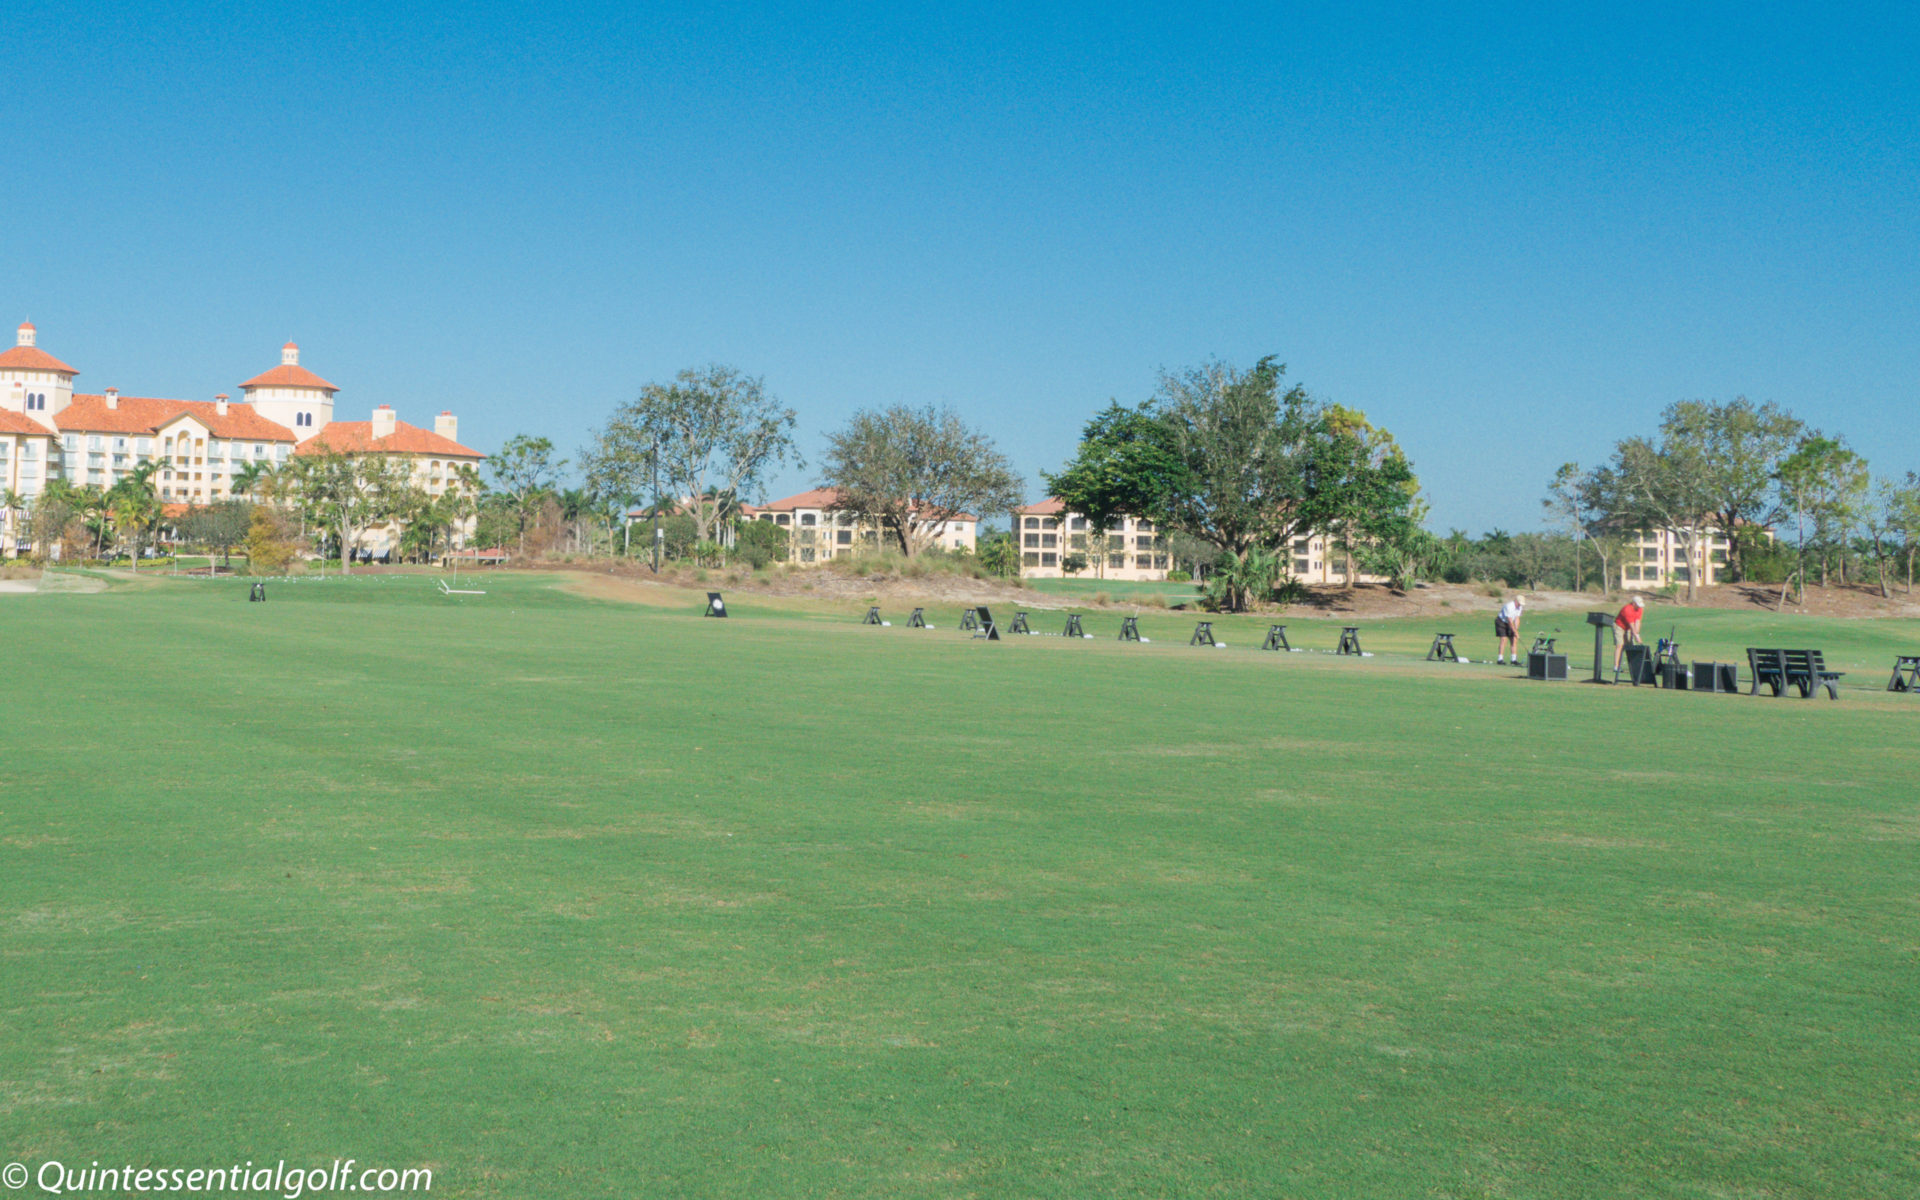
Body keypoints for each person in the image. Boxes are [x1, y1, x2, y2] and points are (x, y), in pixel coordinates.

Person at [1612, 594, 1646, 673]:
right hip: (1619, 626)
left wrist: (1637, 634)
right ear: (1633, 603)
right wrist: (1636, 636)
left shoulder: (1640, 609)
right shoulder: (1627, 609)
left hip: (1628, 628)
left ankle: (1633, 667)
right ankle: (1616, 666)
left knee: (1631, 646)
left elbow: (1637, 621)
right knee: (1620, 645)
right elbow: (1632, 625)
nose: (1639, 607)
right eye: (1637, 605)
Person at [1494, 594, 1525, 664]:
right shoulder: (1509, 606)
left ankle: (1513, 660)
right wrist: (1515, 631)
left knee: (1514, 639)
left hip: (1510, 623)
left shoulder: (1519, 607)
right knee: (1503, 639)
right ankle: (1500, 659)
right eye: (1519, 603)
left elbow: (1517, 618)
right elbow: (1510, 620)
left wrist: (1516, 630)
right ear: (1516, 601)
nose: (1520, 605)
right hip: (1501, 622)